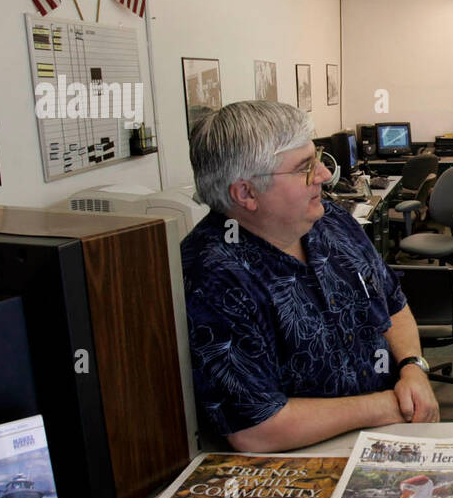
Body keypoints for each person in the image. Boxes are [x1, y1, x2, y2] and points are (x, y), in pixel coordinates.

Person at [182, 100, 439, 453]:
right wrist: (387, 406)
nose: (323, 174)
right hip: (304, 462)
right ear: (245, 193)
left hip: (389, 433)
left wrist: (413, 367)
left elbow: (394, 305)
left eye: (316, 157)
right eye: (304, 168)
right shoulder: (212, 277)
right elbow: (257, 428)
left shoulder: (332, 220)